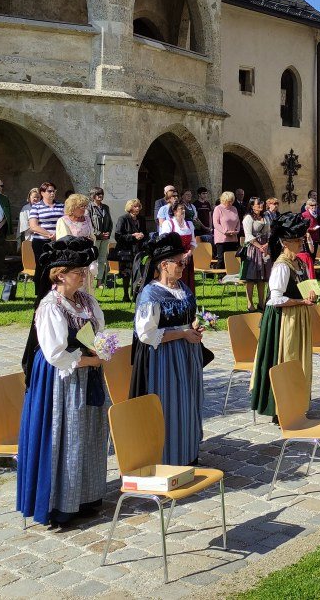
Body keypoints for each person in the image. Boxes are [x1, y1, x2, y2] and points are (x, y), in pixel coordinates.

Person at [16, 236, 107, 527]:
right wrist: (92, 360)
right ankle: (61, 504)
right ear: (60, 274)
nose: (84, 275)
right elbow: (55, 352)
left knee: (87, 433)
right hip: (60, 378)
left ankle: (85, 496)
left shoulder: (85, 301)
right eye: (78, 272)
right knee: (64, 434)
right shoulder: (51, 306)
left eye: (84, 271)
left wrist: (101, 348)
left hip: (86, 373)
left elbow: (98, 333)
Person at [130, 233, 208, 466]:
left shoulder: (182, 288)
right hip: (164, 358)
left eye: (184, 262)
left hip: (187, 353)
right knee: (170, 405)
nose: (184, 266)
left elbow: (187, 316)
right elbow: (147, 334)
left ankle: (188, 451)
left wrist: (194, 326)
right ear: (164, 265)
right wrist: (182, 334)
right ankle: (169, 457)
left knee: (189, 401)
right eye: (180, 262)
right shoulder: (151, 294)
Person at [250, 212, 320, 420]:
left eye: (301, 240)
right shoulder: (281, 266)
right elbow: (275, 299)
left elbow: (303, 287)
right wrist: (300, 302)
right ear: (284, 243)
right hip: (283, 321)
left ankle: (296, 402)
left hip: (297, 318)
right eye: (297, 241)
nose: (301, 244)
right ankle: (280, 407)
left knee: (298, 360)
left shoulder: (297, 262)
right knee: (284, 360)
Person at [158, 200, 199, 293]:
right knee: (175, 279)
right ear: (175, 211)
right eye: (181, 209)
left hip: (187, 257)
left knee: (187, 280)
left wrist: (189, 253)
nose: (183, 211)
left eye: (184, 208)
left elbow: (193, 242)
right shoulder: (168, 224)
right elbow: (165, 243)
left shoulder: (189, 224)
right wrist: (179, 256)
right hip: (174, 258)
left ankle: (188, 300)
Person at [240, 197, 272, 311]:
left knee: (262, 278)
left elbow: (269, 232)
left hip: (265, 248)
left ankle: (261, 303)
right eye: (258, 204)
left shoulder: (266, 217)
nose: (260, 205)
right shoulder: (248, 218)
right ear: (252, 206)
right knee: (251, 278)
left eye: (261, 203)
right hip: (253, 249)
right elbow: (248, 235)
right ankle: (250, 303)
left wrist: (267, 244)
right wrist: (259, 246)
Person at [114, 199, 147, 303]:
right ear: (129, 208)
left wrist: (142, 235)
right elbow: (118, 236)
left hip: (138, 250)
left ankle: (136, 294)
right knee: (126, 273)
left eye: (138, 206)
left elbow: (145, 232)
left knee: (139, 273)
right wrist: (132, 236)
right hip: (126, 250)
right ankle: (125, 295)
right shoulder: (123, 219)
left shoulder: (141, 219)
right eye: (135, 206)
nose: (137, 208)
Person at [28, 183, 65, 272]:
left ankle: (55, 286)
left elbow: (66, 223)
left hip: (58, 241)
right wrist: (50, 235)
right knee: (42, 268)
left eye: (54, 191)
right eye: (49, 191)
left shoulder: (62, 206)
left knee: (57, 267)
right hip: (41, 242)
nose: (52, 193)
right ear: (42, 193)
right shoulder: (36, 206)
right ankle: (41, 286)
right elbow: (33, 226)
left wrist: (57, 236)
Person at [88, 188, 114, 287]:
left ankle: (99, 282)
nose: (100, 196)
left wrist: (108, 233)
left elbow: (110, 222)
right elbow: (89, 223)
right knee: (92, 259)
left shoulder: (106, 207)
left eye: (101, 194)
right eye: (98, 194)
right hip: (95, 238)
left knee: (102, 259)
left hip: (105, 238)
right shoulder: (89, 207)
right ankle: (90, 281)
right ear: (93, 195)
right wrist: (98, 234)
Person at [212, 191, 241, 269]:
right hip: (222, 238)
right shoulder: (218, 208)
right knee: (221, 259)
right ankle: (220, 276)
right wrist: (225, 232)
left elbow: (238, 221)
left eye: (232, 201)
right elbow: (216, 224)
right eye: (229, 201)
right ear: (224, 200)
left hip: (233, 237)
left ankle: (230, 274)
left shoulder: (234, 208)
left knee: (231, 257)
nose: (231, 203)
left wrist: (237, 231)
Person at [301, 197, 320, 265]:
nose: (314, 206)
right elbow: (302, 227)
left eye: (315, 205)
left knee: (313, 256)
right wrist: (311, 229)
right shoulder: (304, 214)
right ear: (308, 206)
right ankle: (308, 274)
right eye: (312, 205)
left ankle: (312, 274)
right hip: (308, 238)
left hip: (315, 238)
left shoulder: (316, 214)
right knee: (308, 257)